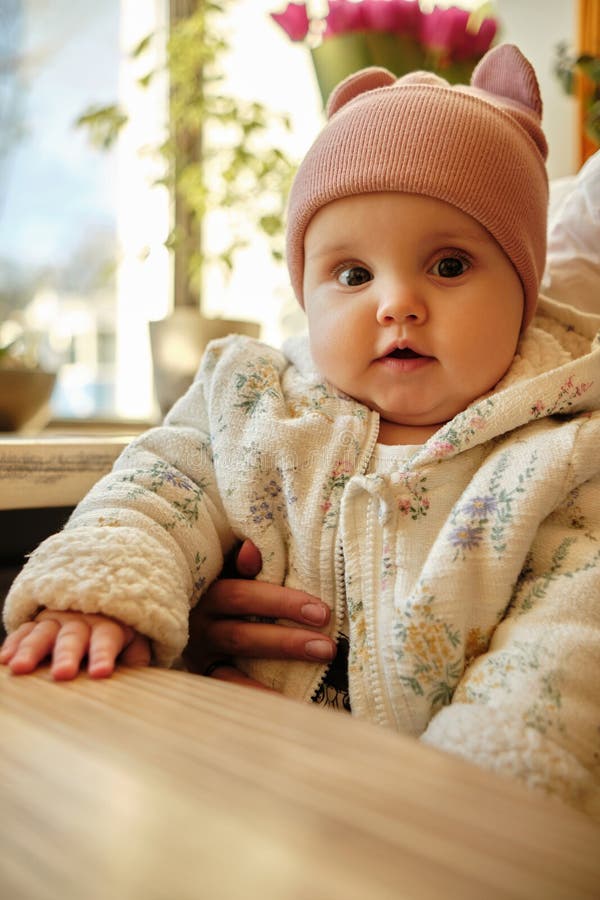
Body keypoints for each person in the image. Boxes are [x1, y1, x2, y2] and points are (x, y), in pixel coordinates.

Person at [2, 44, 599, 818]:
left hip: (426, 820)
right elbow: (157, 489)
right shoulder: (254, 402)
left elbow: (569, 639)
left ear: (524, 289)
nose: (397, 303)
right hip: (234, 784)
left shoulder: (564, 446)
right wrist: (98, 595)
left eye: (449, 266)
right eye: (354, 275)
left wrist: (470, 794)